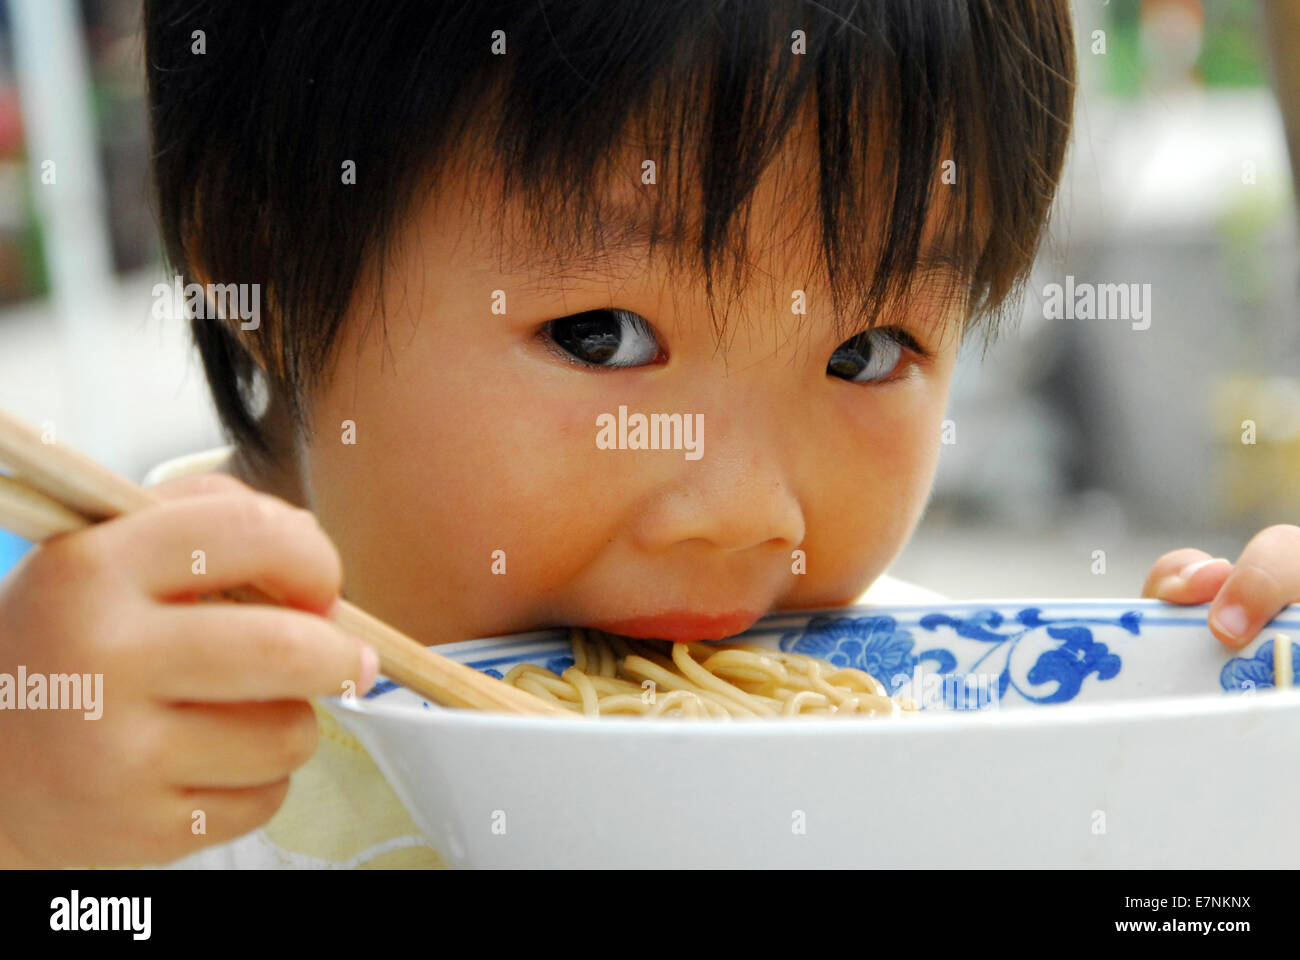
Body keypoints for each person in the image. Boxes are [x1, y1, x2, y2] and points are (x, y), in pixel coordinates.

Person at [0, 0, 1294, 869]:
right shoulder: (107, 739)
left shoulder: (919, 728)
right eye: (601, 336)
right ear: (265, 276)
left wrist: (1205, 789)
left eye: (865, 353)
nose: (746, 514)